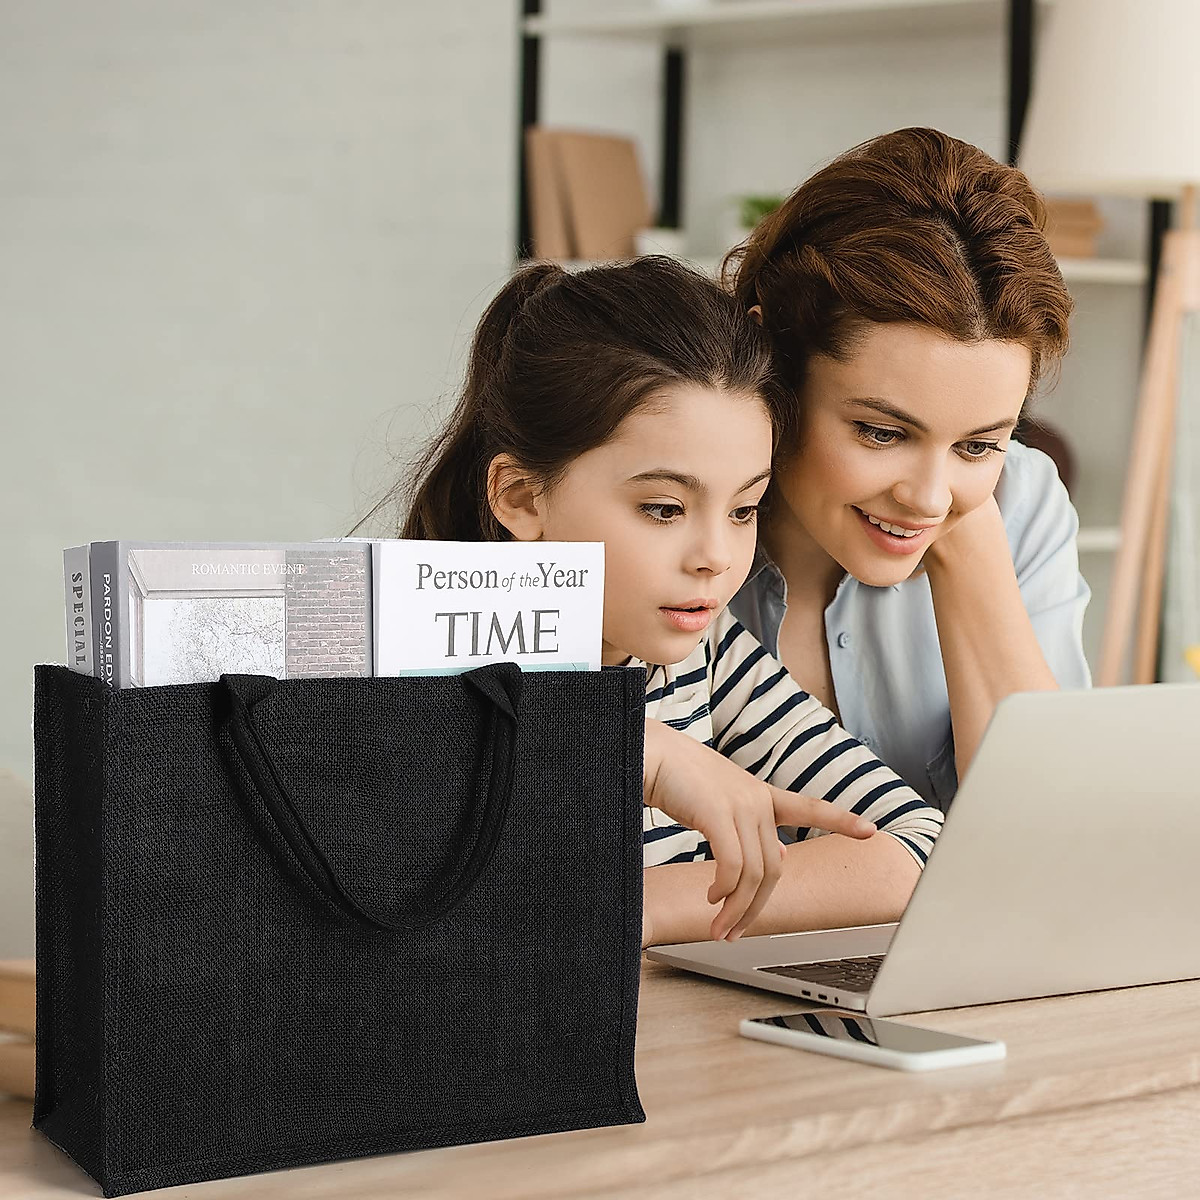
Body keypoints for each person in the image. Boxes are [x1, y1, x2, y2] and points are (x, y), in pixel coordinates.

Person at [387, 255, 942, 947]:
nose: (714, 556)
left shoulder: (704, 658)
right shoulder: (408, 675)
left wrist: (642, 906)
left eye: (745, 509)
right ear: (522, 497)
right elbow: (422, 921)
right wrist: (632, 750)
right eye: (662, 508)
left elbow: (923, 848)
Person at [726, 127, 1091, 810]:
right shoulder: (650, 516)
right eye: (882, 432)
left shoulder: (1022, 502)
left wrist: (973, 551)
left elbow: (1051, 832)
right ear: (772, 366)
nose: (926, 496)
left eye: (978, 445)